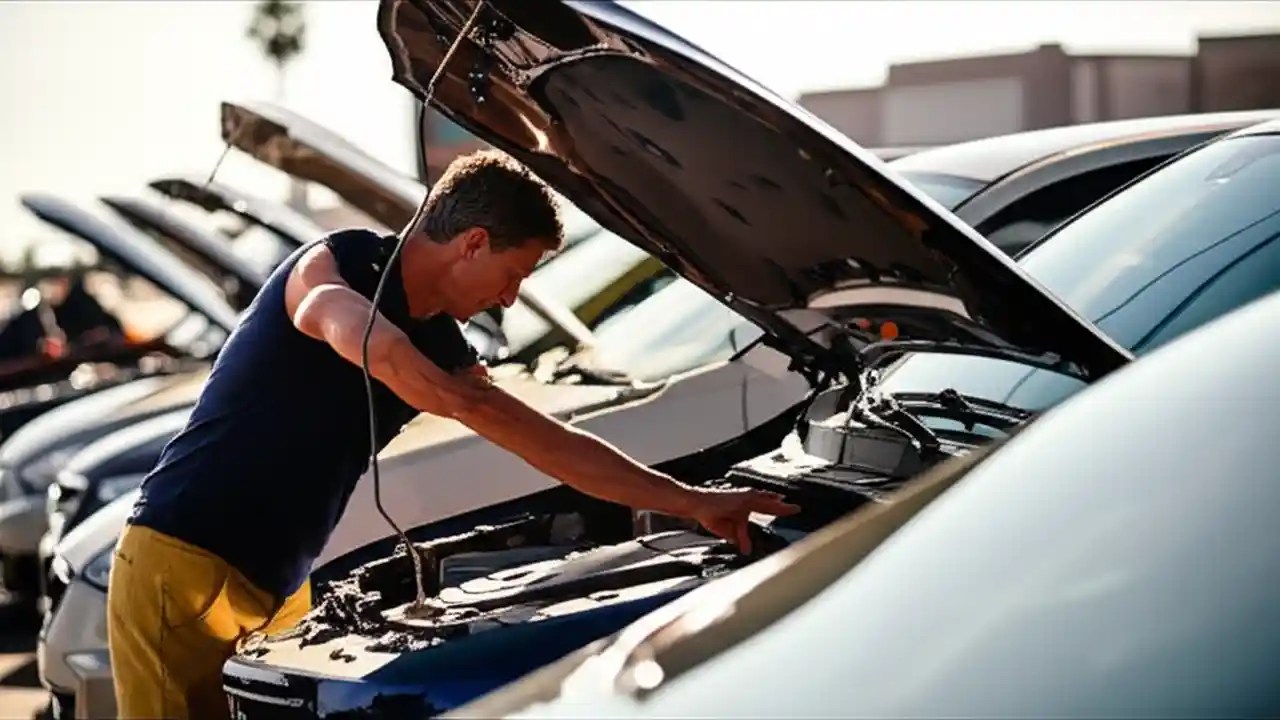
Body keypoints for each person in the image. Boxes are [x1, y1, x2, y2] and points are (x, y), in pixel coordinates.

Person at [106, 149, 799, 720]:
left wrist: (693, 501)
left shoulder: (442, 343)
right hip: (182, 561)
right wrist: (424, 381)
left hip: (278, 583)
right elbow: (329, 314)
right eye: (514, 274)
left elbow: (552, 445)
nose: (509, 298)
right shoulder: (340, 264)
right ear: (473, 244)